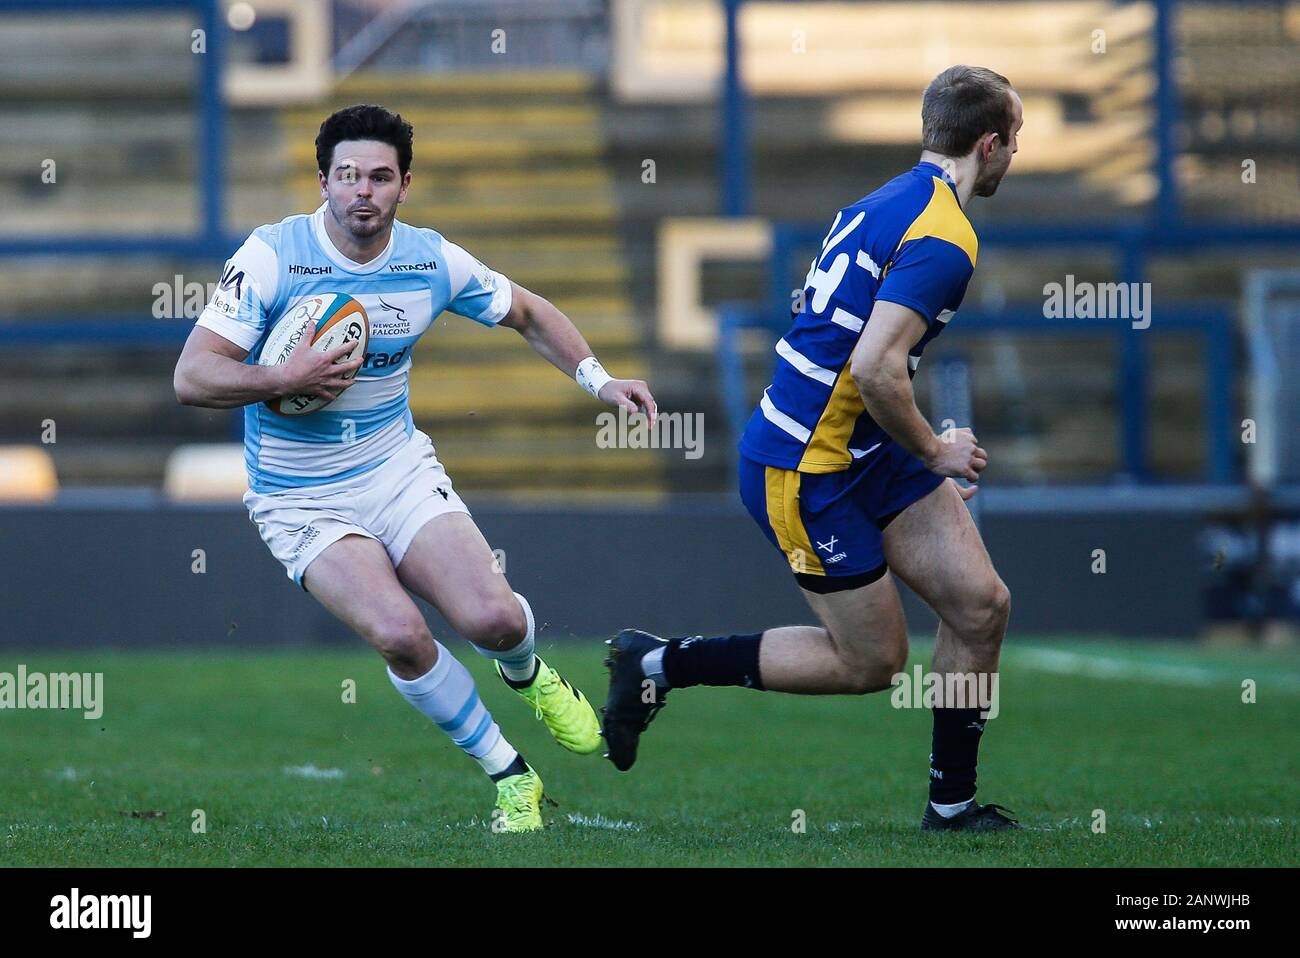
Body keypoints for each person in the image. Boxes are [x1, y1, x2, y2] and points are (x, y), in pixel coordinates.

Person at [174, 104, 656, 832]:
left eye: (378, 177)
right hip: (301, 498)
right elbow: (192, 377)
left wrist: (600, 378)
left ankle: (527, 672)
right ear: (322, 181)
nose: (360, 192)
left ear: (405, 185)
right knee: (401, 634)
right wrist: (285, 375)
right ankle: (510, 776)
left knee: (492, 621)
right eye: (345, 176)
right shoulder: (274, 257)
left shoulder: (430, 260)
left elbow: (527, 312)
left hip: (395, 471)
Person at [602, 66, 1023, 831]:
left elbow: (843, 340)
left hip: (864, 443)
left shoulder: (883, 201)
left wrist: (912, 446)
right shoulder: (946, 236)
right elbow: (872, 365)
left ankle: (951, 807)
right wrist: (934, 450)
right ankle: (658, 664)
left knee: (981, 606)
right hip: (807, 466)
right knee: (872, 664)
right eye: (1014, 142)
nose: (1013, 157)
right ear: (987, 144)